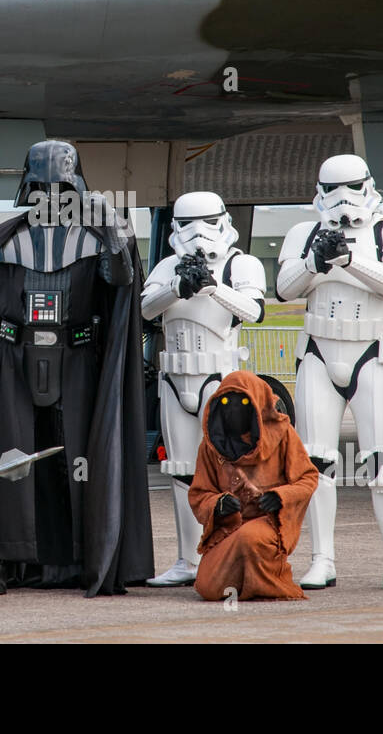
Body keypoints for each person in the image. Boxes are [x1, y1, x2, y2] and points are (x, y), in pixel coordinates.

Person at [0, 140, 153, 596]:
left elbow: (121, 281)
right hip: (12, 361)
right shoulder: (2, 241)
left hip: (78, 361)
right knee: (11, 461)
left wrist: (112, 225)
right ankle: (10, 556)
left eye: (60, 187)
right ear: (28, 186)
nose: (52, 196)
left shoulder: (96, 236)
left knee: (79, 459)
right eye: (43, 187)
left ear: (76, 186)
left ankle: (82, 555)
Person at [275, 153, 383, 591]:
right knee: (316, 463)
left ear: (368, 186)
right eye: (332, 189)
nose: (342, 199)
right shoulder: (304, 232)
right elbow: (283, 289)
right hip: (319, 353)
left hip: (372, 352)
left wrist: (345, 260)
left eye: (352, 187)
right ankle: (322, 559)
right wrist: (315, 263)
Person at [140, 191, 266, 587]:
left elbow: (255, 310)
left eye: (208, 222)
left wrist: (212, 287)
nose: (198, 233)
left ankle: (231, 554)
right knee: (180, 472)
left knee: (232, 468)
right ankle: (186, 560)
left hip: (219, 377)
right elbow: (144, 309)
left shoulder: (240, 263)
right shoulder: (166, 266)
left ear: (224, 221)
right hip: (176, 379)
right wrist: (177, 286)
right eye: (188, 224)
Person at [189, 371, 319, 601]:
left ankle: (272, 581)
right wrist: (217, 505)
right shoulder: (210, 447)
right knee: (207, 587)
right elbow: (199, 493)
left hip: (269, 521)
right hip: (231, 526)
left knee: (251, 538)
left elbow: (308, 478)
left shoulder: (283, 434)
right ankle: (245, 579)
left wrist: (280, 497)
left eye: (244, 402)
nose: (232, 410)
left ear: (257, 404)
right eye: (226, 402)